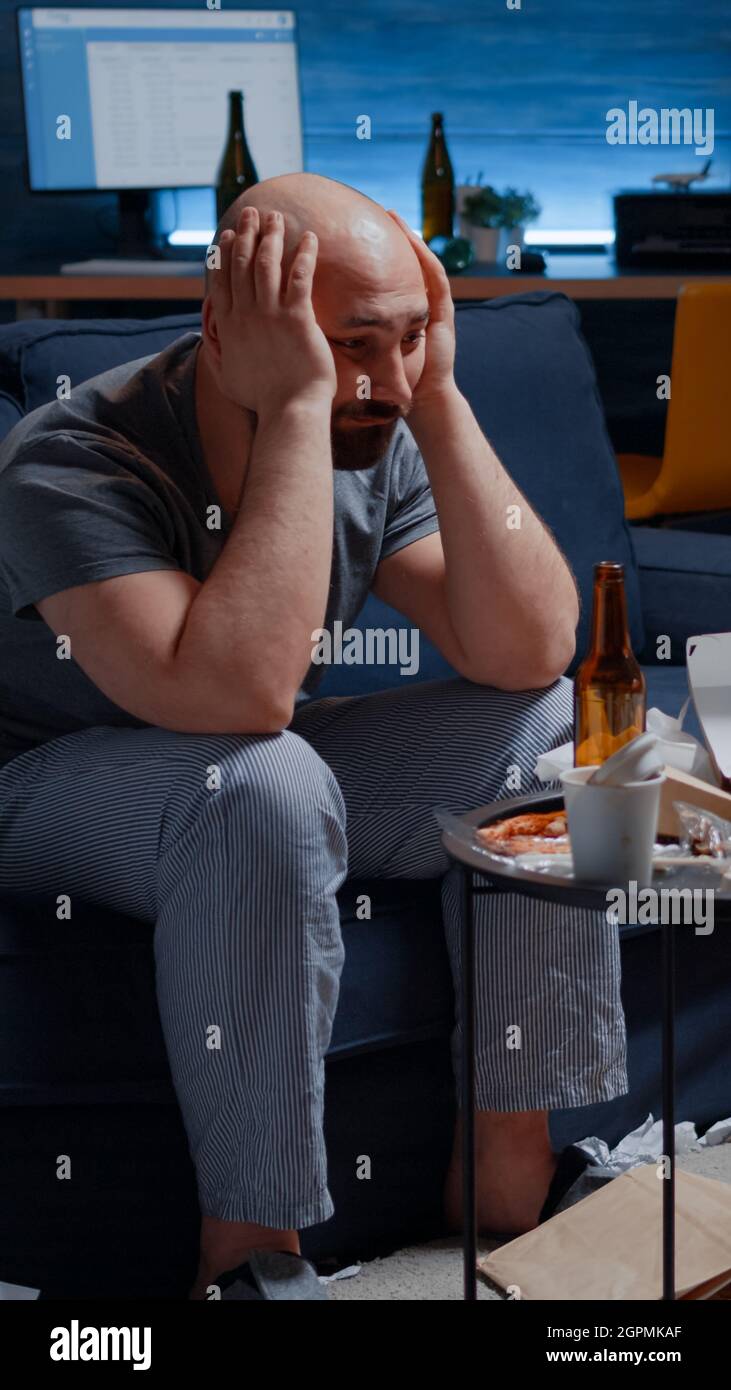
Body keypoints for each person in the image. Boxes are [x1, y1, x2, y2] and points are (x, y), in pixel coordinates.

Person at [0, 173, 627, 1300]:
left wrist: (432, 398)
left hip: (231, 758)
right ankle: (250, 1254)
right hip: (46, 788)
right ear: (225, 329)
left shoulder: (376, 419)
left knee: (552, 731)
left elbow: (527, 644)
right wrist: (295, 407)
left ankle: (500, 1177)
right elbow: (231, 693)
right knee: (263, 779)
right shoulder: (71, 459)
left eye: (402, 340)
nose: (373, 381)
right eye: (346, 344)